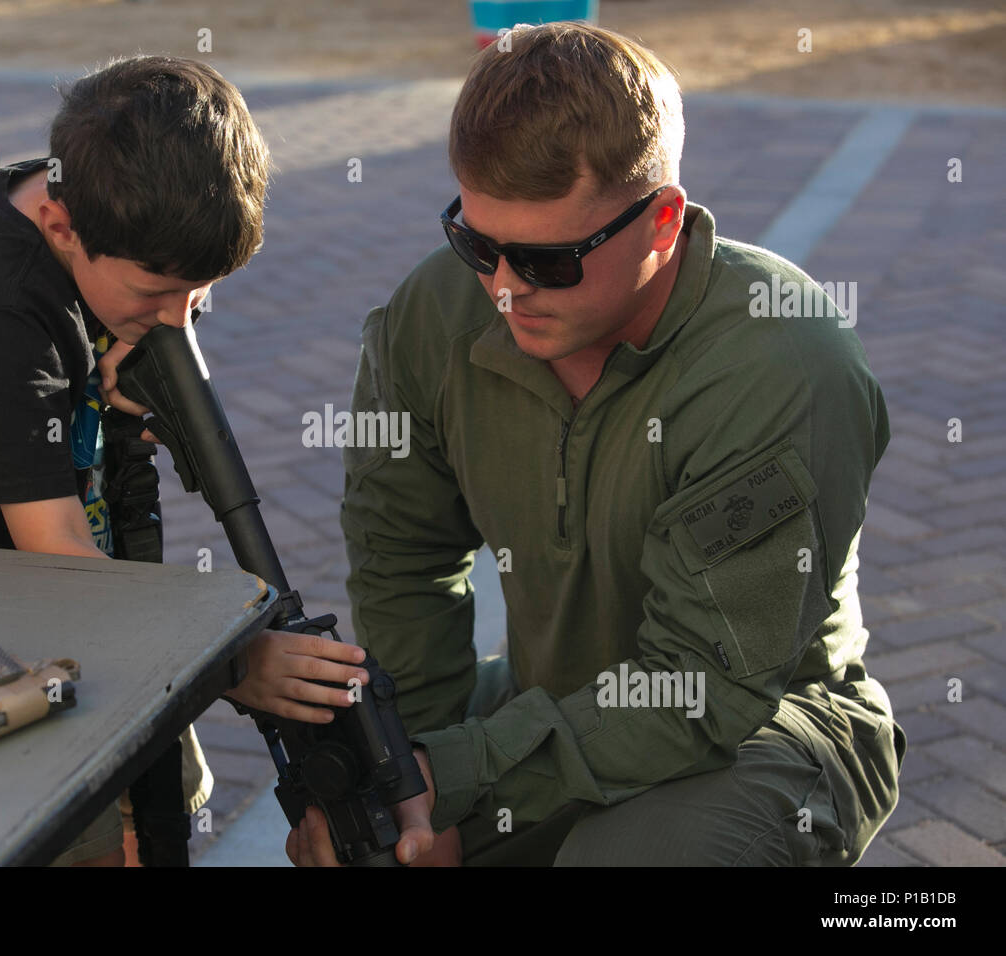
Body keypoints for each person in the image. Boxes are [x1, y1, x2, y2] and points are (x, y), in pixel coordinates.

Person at [286, 21, 905, 866]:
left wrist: (460, 776)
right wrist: (408, 795)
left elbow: (705, 687)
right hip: (563, 695)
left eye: (547, 261)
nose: (502, 289)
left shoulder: (782, 363)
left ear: (661, 223)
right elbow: (403, 567)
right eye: (474, 243)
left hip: (769, 723)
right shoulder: (433, 315)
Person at [0, 55, 368, 866]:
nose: (178, 323)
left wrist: (119, 360)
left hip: (118, 644)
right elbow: (59, 562)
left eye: (201, 296)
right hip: (9, 673)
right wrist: (231, 664)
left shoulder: (117, 214)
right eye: (158, 296)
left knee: (163, 815)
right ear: (63, 227)